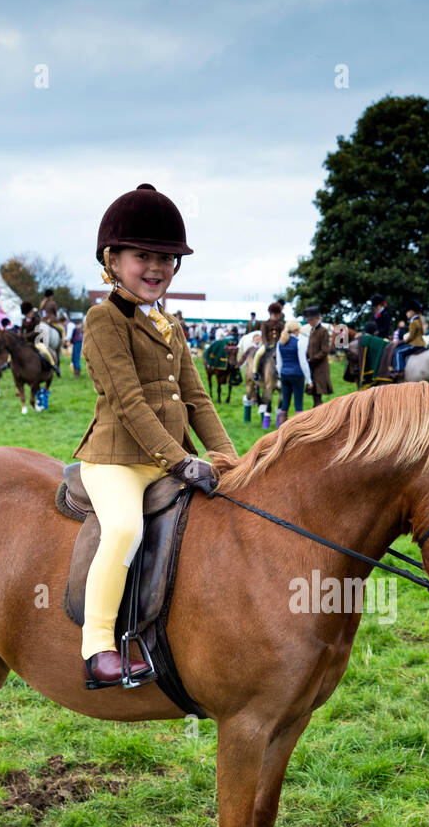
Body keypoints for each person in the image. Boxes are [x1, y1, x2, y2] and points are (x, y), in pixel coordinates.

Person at [74, 182, 236, 688]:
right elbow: (128, 403)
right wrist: (179, 460)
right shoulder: (104, 319)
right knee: (124, 530)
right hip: (117, 460)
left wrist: (228, 456)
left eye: (166, 258)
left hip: (168, 460)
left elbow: (197, 400)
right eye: (142, 255)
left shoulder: (171, 324)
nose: (155, 267)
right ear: (112, 259)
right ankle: (99, 646)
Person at [274, 318, 311, 424]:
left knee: (285, 402)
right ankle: (298, 428)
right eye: (298, 330)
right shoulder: (299, 343)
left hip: (284, 375)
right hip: (297, 375)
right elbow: (303, 363)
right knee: (298, 402)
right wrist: (309, 380)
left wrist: (281, 375)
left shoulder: (280, 343)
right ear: (295, 330)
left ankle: (281, 427)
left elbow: (279, 363)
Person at [302, 305, 332, 406]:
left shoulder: (323, 331)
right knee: (314, 394)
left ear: (316, 319)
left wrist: (312, 359)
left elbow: (324, 351)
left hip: (320, 367)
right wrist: (305, 357)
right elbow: (309, 347)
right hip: (312, 366)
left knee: (318, 395)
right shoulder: (312, 330)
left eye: (309, 319)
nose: (308, 322)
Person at [392, 301, 426, 374]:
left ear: (412, 312)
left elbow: (411, 337)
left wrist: (403, 341)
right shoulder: (419, 321)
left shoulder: (413, 322)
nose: (406, 313)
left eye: (407, 311)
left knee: (398, 351)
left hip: (415, 344)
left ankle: (399, 370)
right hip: (421, 344)